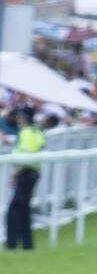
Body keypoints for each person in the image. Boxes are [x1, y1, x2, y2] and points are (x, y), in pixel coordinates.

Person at [5, 106, 45, 251]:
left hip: (25, 173)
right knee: (24, 210)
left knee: (14, 211)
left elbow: (26, 156)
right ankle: (27, 244)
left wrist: (15, 173)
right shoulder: (36, 131)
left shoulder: (26, 133)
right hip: (33, 173)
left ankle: (12, 244)